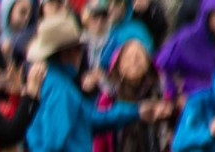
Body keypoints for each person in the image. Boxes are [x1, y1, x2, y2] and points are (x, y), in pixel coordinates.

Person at [28, 12, 170, 152]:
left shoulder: (58, 82)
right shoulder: (59, 88)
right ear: (66, 53)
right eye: (79, 49)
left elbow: (90, 118)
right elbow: (52, 144)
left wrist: (136, 111)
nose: (81, 55)